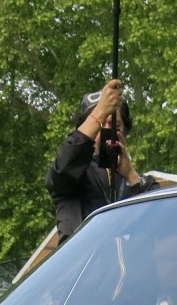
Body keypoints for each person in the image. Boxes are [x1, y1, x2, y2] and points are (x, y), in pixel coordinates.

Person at [46, 78, 159, 242]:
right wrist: (99, 113)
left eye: (115, 125)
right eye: (101, 125)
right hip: (88, 266)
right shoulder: (75, 175)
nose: (108, 131)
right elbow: (64, 167)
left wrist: (131, 175)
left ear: (125, 132)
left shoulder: (139, 182)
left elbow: (162, 214)